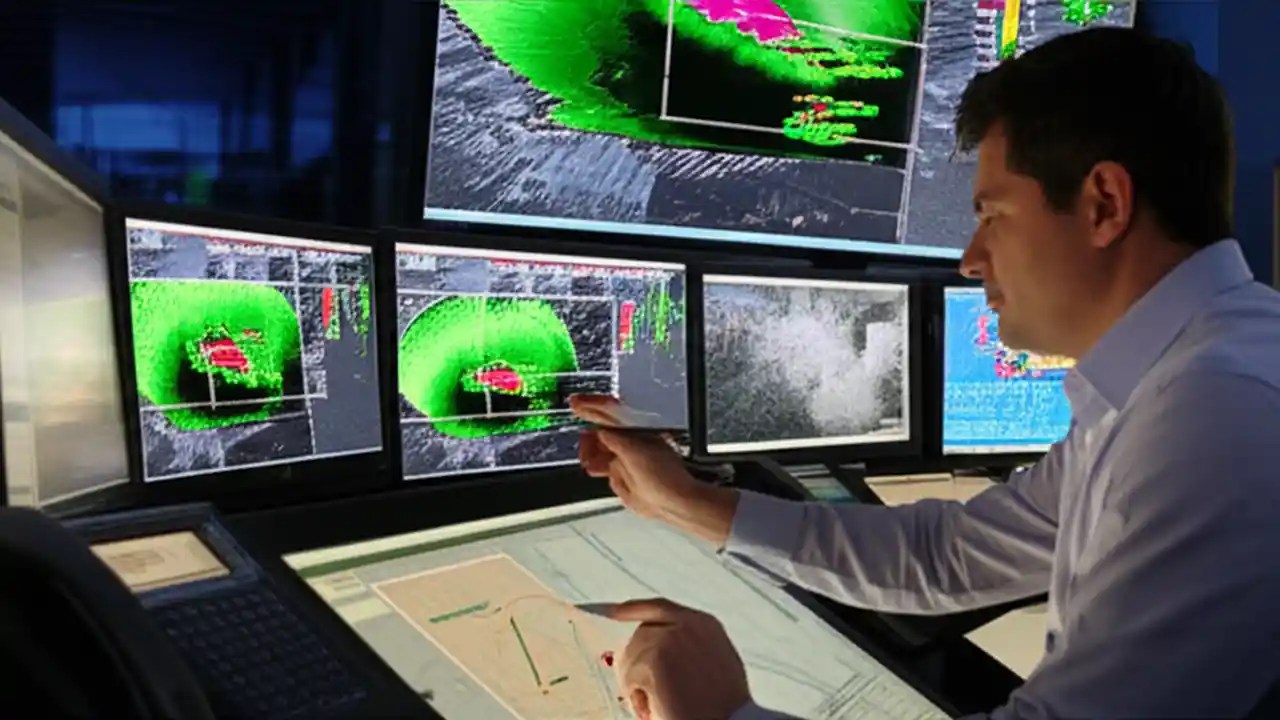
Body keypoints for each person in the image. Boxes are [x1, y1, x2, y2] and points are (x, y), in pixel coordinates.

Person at [573, 26, 1280, 720]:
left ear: (1104, 205)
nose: (970, 259)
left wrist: (722, 714)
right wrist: (682, 500)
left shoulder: (1215, 415)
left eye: (992, 215)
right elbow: (949, 558)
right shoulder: (1172, 384)